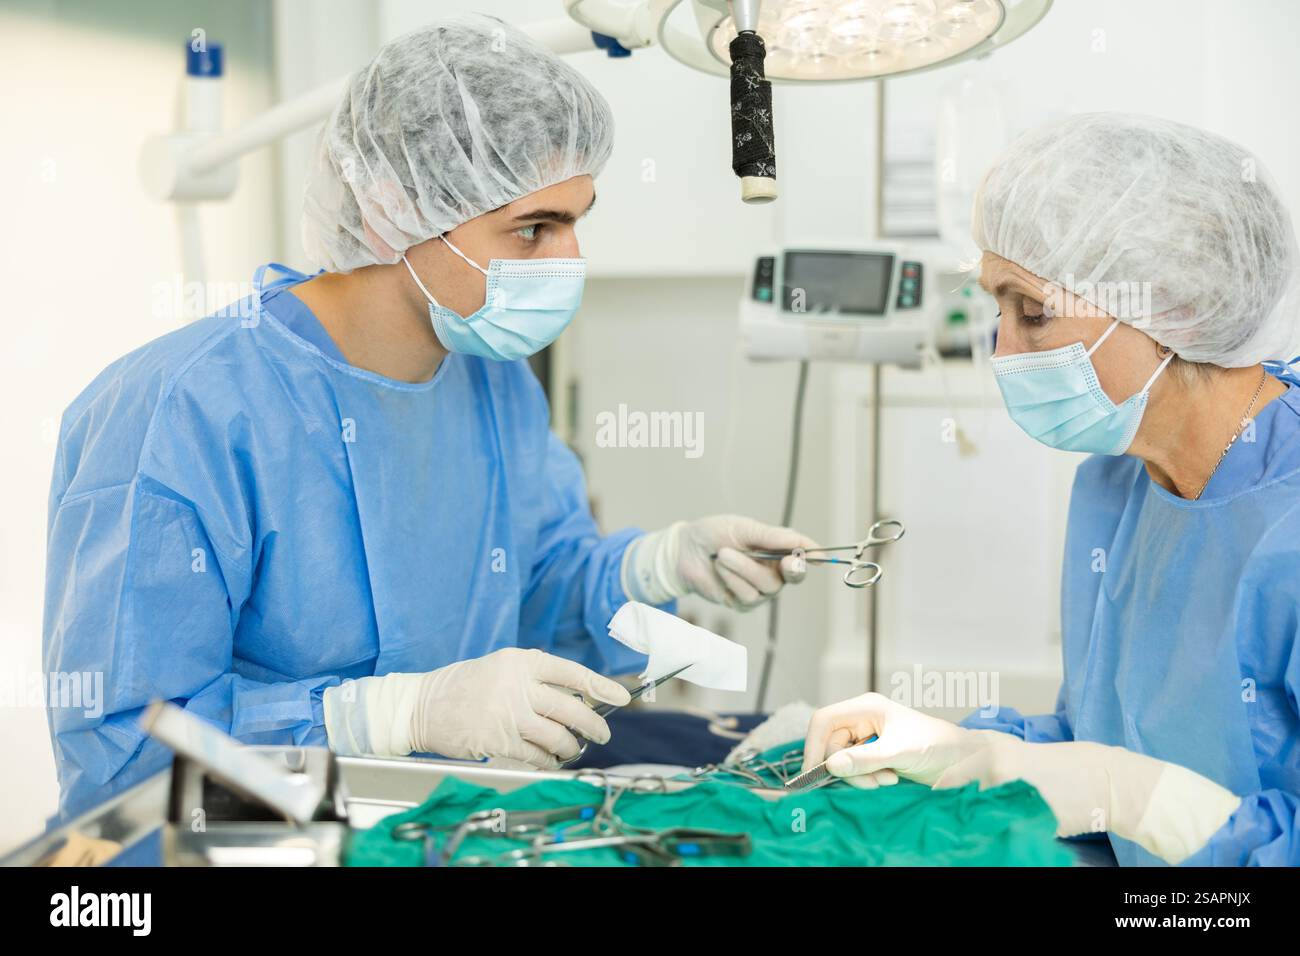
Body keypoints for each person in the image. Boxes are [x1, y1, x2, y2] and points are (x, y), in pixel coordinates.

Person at [42, 15, 813, 818]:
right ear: (391, 207)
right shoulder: (182, 413)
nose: (568, 261)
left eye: (577, 220)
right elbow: (124, 752)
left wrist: (660, 566)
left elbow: (536, 587)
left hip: (443, 819)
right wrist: (388, 716)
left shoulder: (492, 379)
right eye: (533, 229)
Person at [801, 112, 1300, 866]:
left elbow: (1121, 782)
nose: (1002, 351)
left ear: (1179, 306)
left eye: (1031, 311)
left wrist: (1122, 792)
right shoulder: (1116, 487)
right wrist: (968, 751)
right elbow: (1108, 745)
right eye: (996, 311)